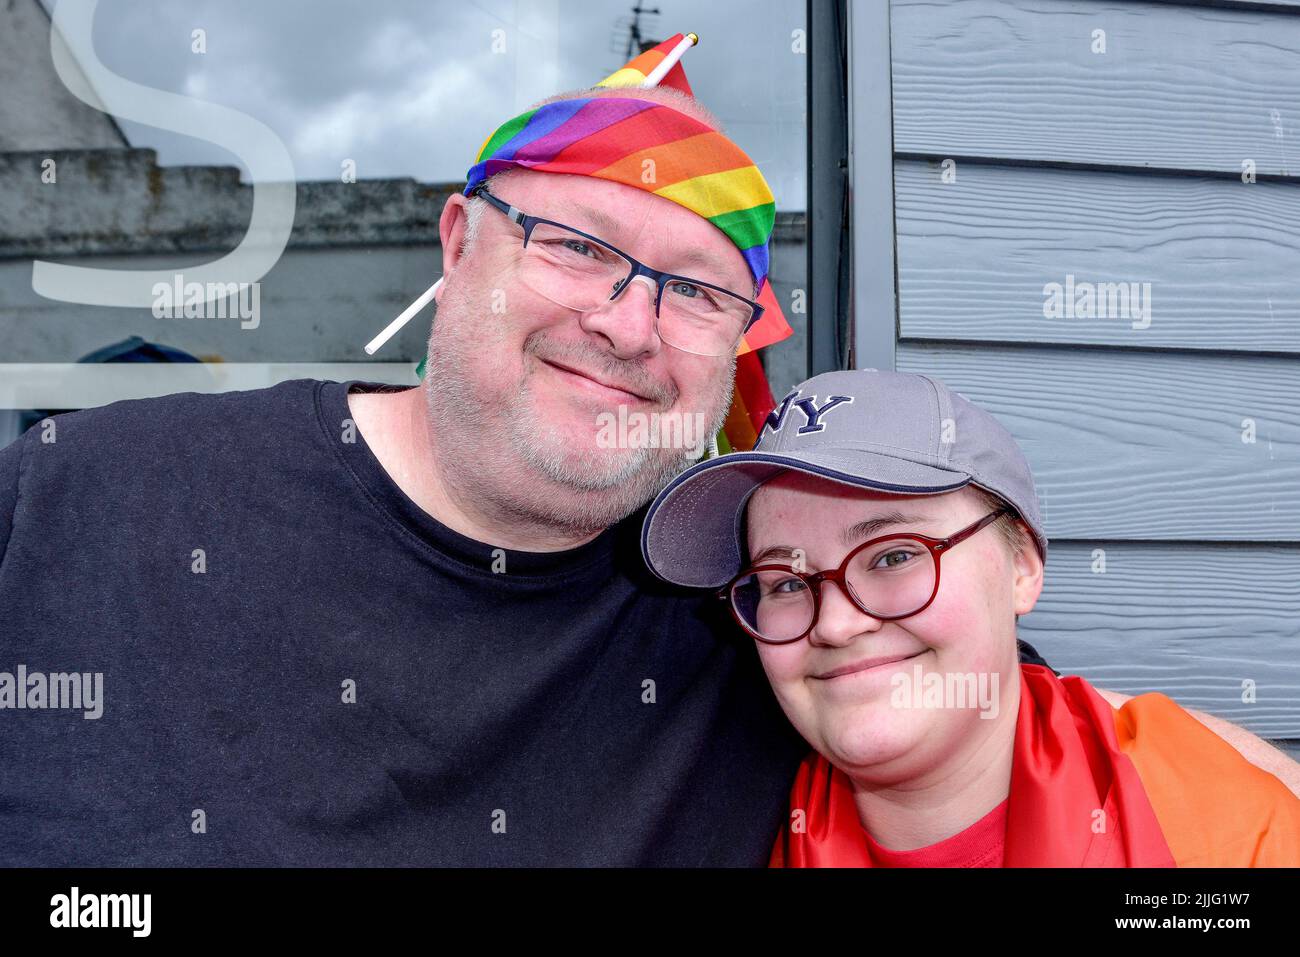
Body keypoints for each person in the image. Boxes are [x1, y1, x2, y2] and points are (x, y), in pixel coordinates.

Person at [0, 44, 1292, 866]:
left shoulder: (745, 618)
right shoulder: (77, 496)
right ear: (458, 242)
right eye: (574, 245)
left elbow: (980, 681)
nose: (627, 322)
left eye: (694, 289)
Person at [641, 369, 1300, 866]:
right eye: (784, 580)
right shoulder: (726, 823)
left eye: (895, 554)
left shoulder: (1215, 834)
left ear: (1022, 567)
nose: (836, 625)